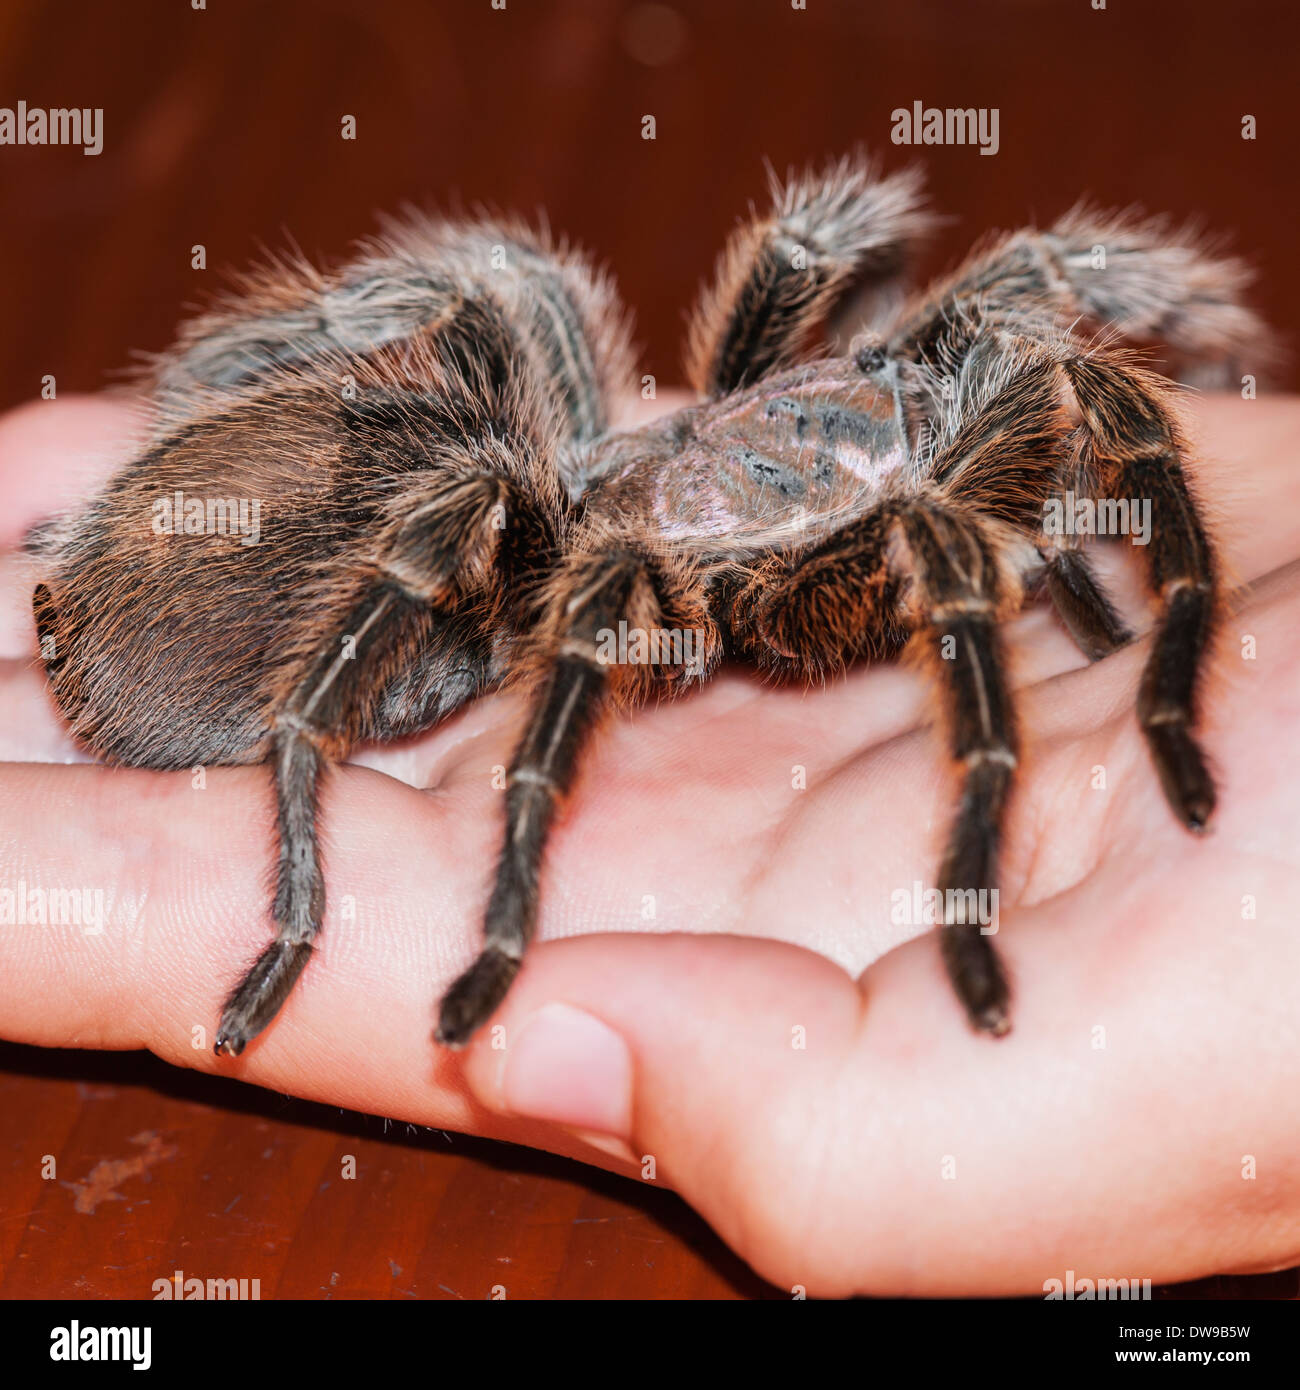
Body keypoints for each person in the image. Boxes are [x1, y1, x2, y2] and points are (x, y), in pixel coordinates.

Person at [1, 387, 1297, 1297]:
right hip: (497, 588)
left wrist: (1177, 662)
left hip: (575, 528)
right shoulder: (631, 553)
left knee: (1062, 392)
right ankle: (421, 880)